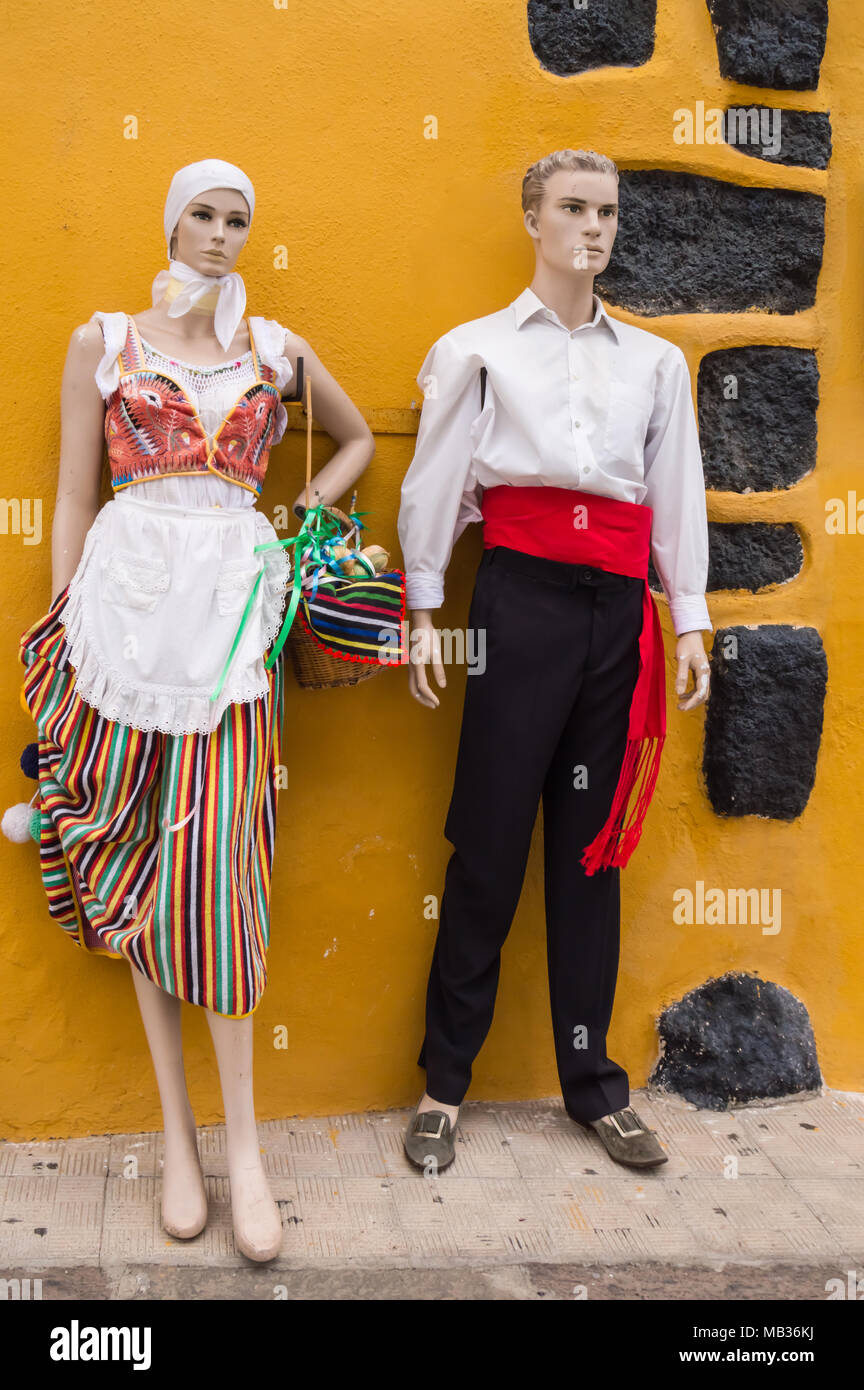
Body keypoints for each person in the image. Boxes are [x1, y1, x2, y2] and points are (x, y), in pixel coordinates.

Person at [18, 158, 375, 1258]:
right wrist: (60, 643)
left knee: (222, 878)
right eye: (204, 215)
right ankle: (178, 1141)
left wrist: (289, 515)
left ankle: (246, 1151)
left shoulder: (279, 352)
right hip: (124, 630)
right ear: (171, 220)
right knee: (138, 863)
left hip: (230, 637)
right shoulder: (107, 342)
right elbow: (75, 495)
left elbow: (354, 441)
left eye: (238, 218)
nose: (221, 234)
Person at [398, 148, 712, 1172]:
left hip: (617, 615)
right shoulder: (477, 351)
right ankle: (445, 1083)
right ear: (532, 219)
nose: (595, 226)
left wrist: (694, 617)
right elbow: (438, 482)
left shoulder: (654, 362)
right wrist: (424, 604)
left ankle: (592, 1084)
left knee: (592, 853)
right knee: (486, 847)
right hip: (517, 601)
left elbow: (674, 495)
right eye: (574, 207)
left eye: (608, 210)